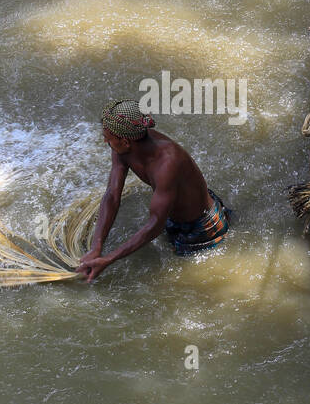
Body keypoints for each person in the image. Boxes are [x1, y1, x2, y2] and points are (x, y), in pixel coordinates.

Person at [76, 100, 233, 282]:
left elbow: (155, 224)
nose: (105, 141)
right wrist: (97, 246)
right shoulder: (123, 143)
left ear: (125, 141)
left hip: (203, 228)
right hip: (174, 216)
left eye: (107, 137)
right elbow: (112, 195)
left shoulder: (167, 163)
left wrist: (108, 260)